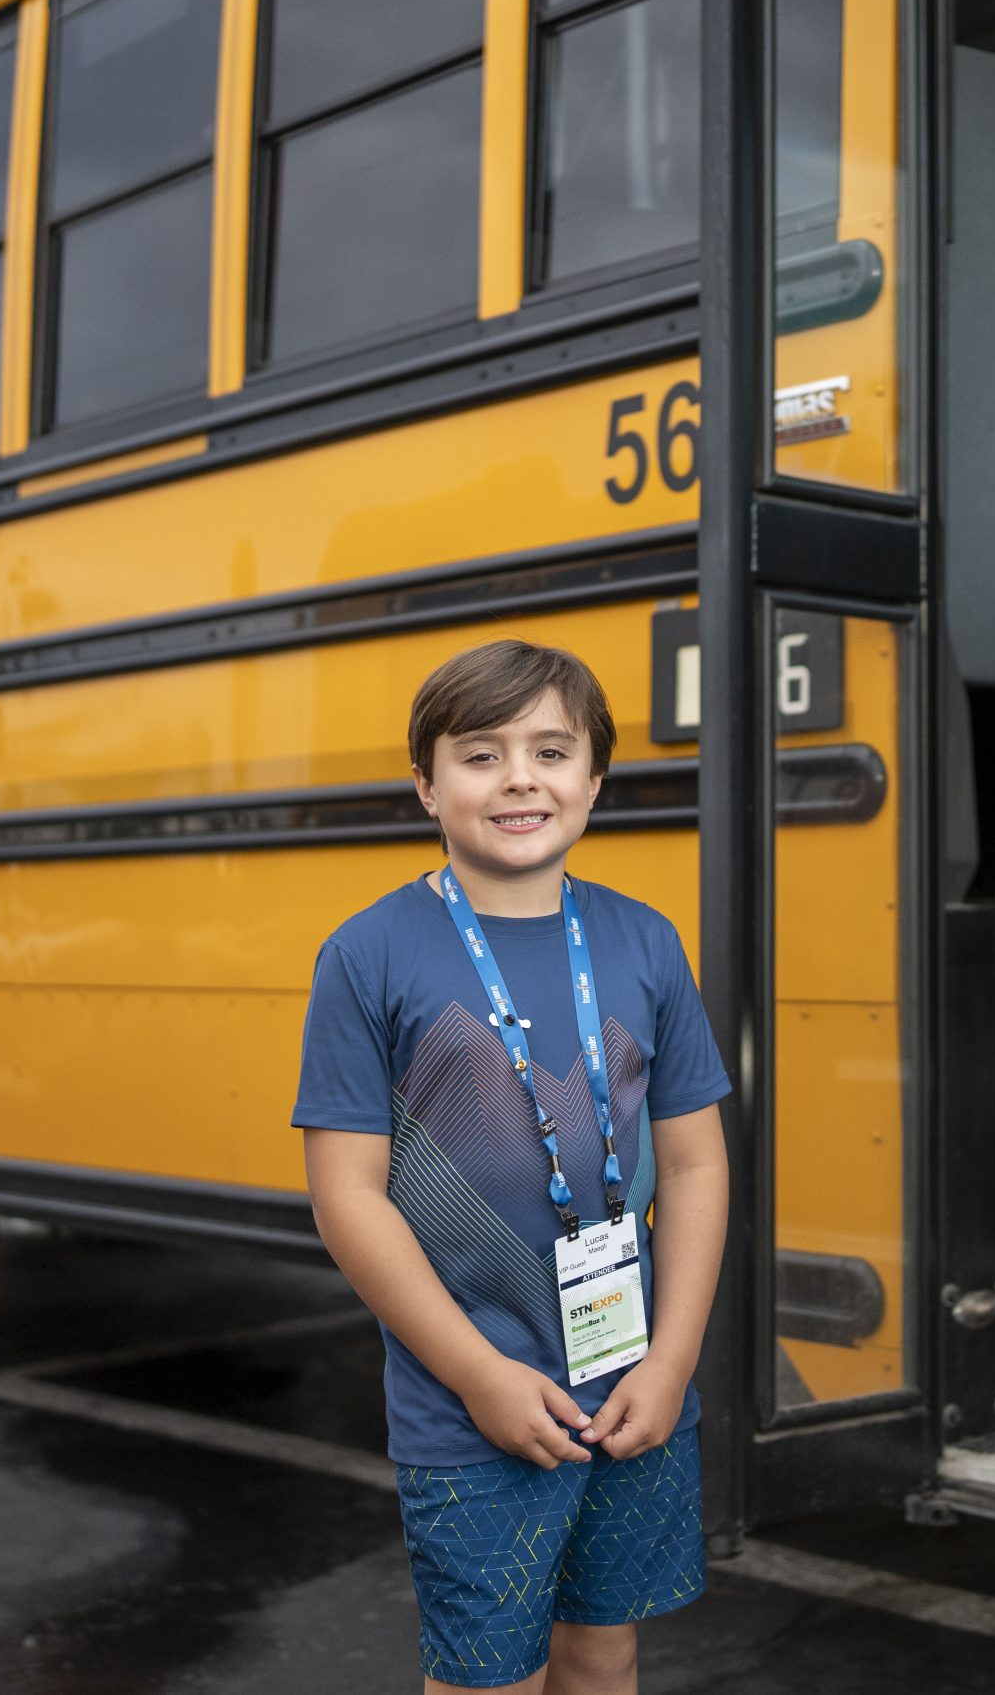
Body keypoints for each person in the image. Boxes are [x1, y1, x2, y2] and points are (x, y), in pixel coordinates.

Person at [293, 640, 731, 1695]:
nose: (521, 777)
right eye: (481, 754)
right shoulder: (369, 954)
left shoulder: (645, 941)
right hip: (471, 1404)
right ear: (426, 788)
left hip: (631, 1386)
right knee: (488, 1677)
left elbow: (694, 1163)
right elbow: (347, 1195)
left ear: (594, 782)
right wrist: (480, 1376)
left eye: (550, 749)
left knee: (604, 1649)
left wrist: (669, 1363)